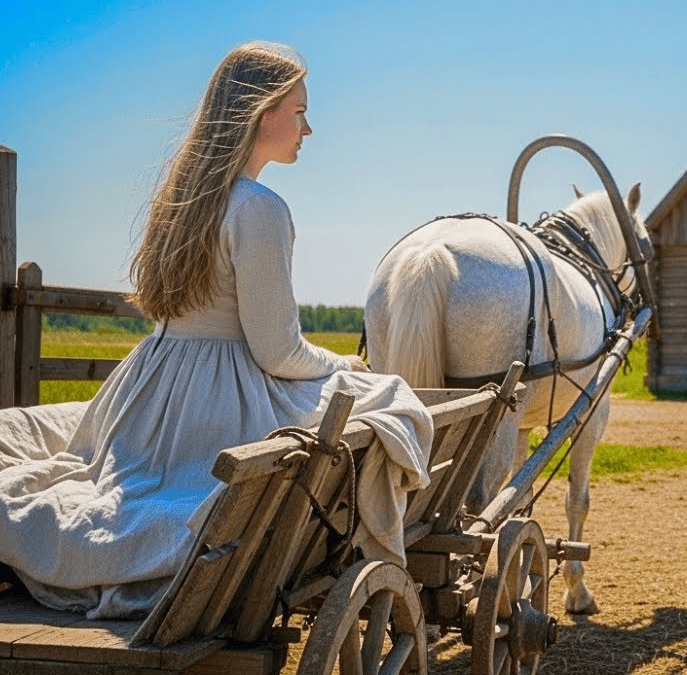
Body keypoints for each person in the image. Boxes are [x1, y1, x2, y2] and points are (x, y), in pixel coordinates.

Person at [0, 42, 434, 619]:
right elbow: (276, 351)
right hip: (220, 398)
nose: (309, 128)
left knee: (120, 483)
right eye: (300, 112)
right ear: (261, 111)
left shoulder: (182, 200)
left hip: (151, 385)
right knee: (391, 397)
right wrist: (345, 365)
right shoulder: (259, 208)